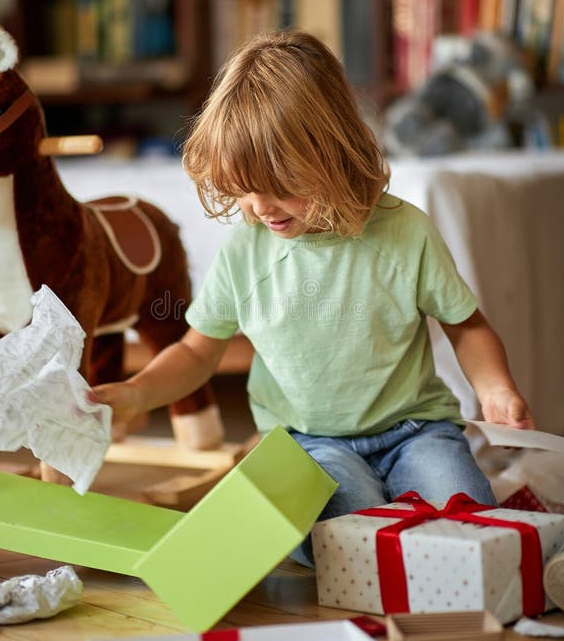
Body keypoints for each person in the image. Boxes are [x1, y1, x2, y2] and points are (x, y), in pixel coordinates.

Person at [90, 30, 534, 566]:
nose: (260, 208)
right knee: (350, 542)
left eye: (281, 186)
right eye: (245, 191)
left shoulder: (404, 233)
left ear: (335, 154)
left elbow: (467, 326)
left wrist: (495, 389)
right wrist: (138, 393)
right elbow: (195, 352)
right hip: (311, 444)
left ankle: (418, 516)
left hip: (417, 430)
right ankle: (363, 515)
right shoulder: (247, 251)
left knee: (471, 528)